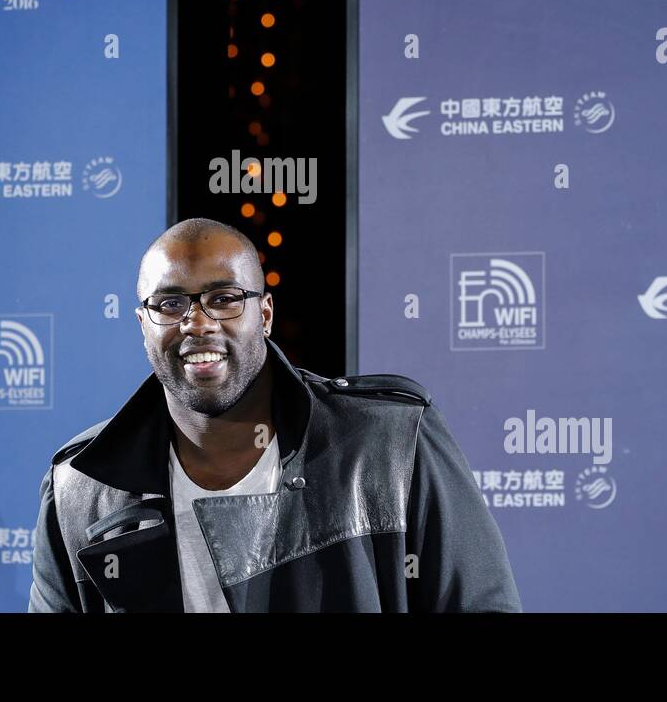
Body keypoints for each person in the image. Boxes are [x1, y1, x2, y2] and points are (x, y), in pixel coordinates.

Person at [28, 218, 521, 612]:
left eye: (223, 299)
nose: (196, 322)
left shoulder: (390, 442)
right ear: (143, 324)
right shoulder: (81, 489)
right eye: (170, 303)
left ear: (264, 315)